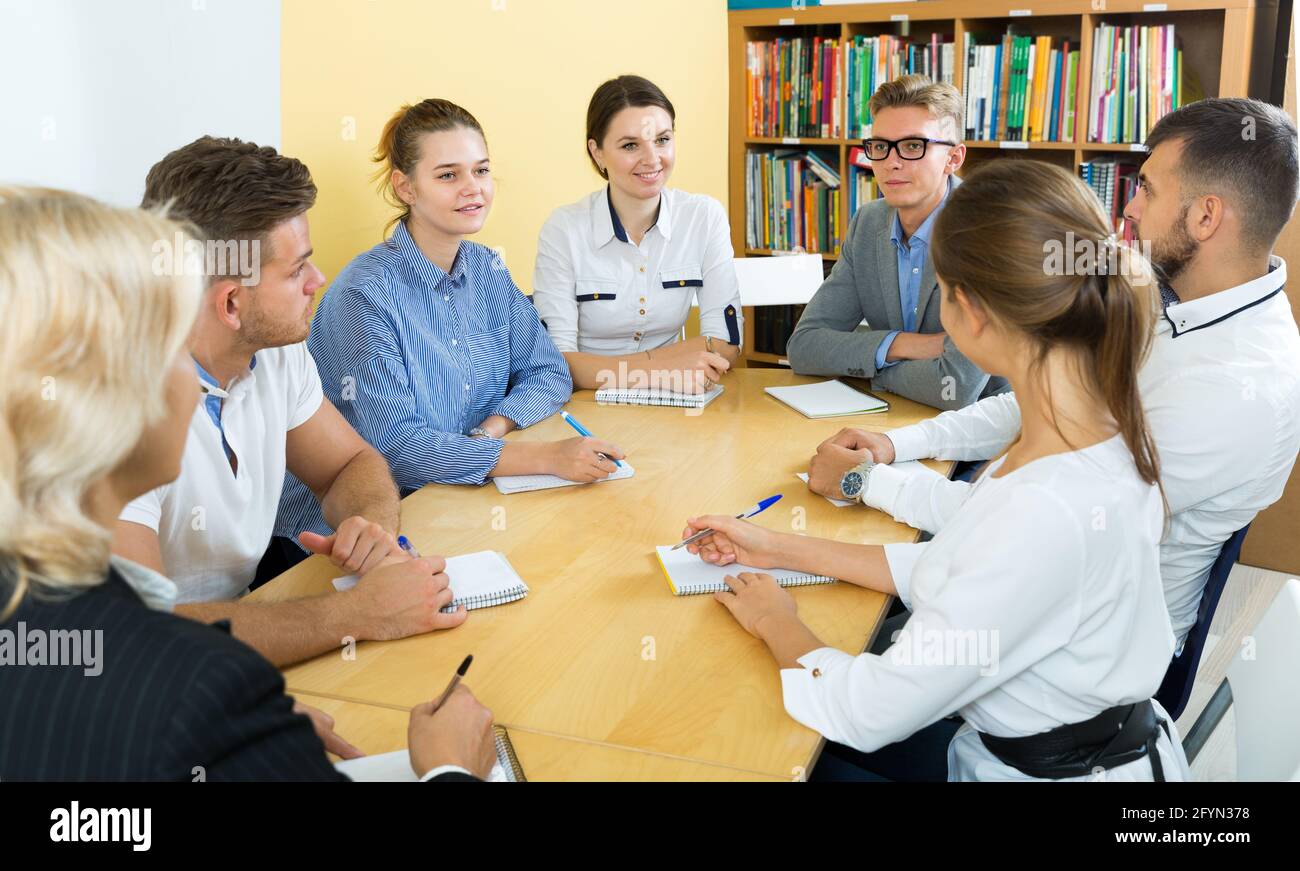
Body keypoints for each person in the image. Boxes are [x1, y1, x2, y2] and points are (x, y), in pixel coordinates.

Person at [683, 160, 1190, 781]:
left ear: (969, 310)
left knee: (751, 753)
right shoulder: (1096, 427)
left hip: (1038, 768)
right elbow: (958, 566)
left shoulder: (1044, 502)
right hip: (1076, 740)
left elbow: (864, 711)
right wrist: (776, 547)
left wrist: (775, 621)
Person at [0, 187, 495, 782]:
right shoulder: (183, 683)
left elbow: (351, 465)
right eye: (166, 338)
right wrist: (449, 770)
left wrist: (244, 733)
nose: (186, 364)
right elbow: (156, 646)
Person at [810, 96, 1300, 652]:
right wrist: (895, 445)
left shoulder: (1237, 388)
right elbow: (1039, 395)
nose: (1130, 209)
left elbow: (1020, 524)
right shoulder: (1173, 302)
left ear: (1206, 216)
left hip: (1079, 649)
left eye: (1147, 188)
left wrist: (864, 481)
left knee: (829, 644)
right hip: (1037, 589)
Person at [110, 137, 461, 669]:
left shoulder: (275, 349)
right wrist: (356, 615)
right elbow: (140, 636)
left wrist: (370, 523)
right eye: (298, 270)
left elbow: (349, 464)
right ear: (231, 302)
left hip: (233, 644)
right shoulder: (109, 408)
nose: (318, 282)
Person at [277, 98, 616, 547]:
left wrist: (494, 427)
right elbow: (397, 450)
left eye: (481, 170)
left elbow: (548, 372)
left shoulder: (488, 269)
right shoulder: (364, 295)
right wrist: (543, 457)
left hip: (461, 500)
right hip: (350, 531)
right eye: (448, 175)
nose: (472, 188)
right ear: (405, 187)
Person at [786, 74, 1009, 411]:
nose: (892, 162)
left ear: (954, 158)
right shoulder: (868, 223)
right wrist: (903, 345)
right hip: (895, 421)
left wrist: (872, 371)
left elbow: (955, 389)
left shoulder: (988, 234)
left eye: (913, 146)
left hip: (985, 438)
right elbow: (804, 348)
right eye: (880, 146)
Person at [532, 74, 743, 394]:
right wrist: (663, 368)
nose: (652, 159)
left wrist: (612, 368)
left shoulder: (703, 216)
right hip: (587, 404)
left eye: (663, 140)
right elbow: (557, 363)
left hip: (679, 398)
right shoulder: (563, 229)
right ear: (597, 152)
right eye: (631, 145)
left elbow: (726, 345)